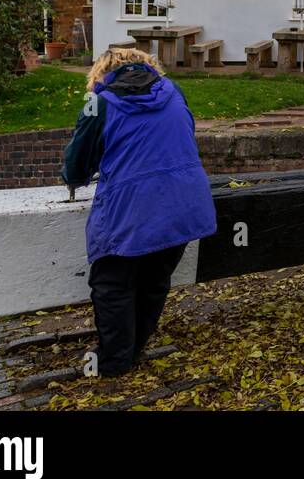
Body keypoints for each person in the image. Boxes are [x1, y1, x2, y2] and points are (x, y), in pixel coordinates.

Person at [62, 48, 217, 377]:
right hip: (184, 203)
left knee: (112, 283)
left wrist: (72, 177)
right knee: (155, 279)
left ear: (101, 73)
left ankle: (114, 362)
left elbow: (78, 162)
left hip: (132, 208)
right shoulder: (174, 91)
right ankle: (134, 348)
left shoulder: (99, 103)